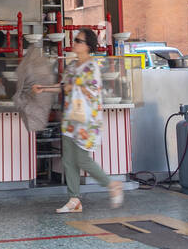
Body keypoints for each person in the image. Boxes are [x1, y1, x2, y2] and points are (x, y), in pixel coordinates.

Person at [33, 28, 123, 214]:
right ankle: (74, 199)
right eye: (75, 39)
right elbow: (64, 86)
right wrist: (44, 89)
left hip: (86, 120)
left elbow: (84, 89)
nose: (74, 43)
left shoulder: (92, 67)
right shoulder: (73, 65)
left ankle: (111, 184)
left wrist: (68, 86)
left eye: (78, 40)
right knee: (68, 160)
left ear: (88, 46)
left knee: (82, 159)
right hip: (71, 118)